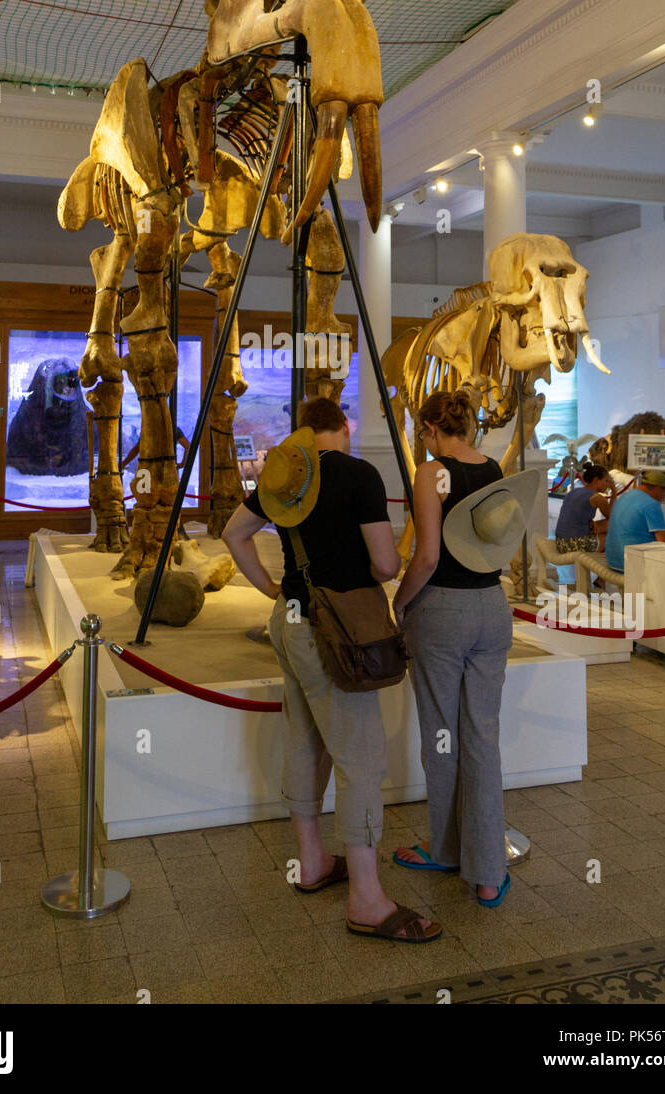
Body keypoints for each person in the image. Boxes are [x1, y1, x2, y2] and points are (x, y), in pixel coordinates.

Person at [221, 396, 441, 944]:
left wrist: (274, 589)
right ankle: (366, 899)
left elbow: (234, 535)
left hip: (290, 618)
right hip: (337, 633)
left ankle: (313, 862)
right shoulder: (360, 475)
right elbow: (387, 564)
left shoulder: (283, 473)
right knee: (361, 758)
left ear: (303, 433)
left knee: (304, 740)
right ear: (345, 427)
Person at [390, 389, 537, 908]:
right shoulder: (495, 469)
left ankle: (445, 848)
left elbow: (427, 556)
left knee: (442, 735)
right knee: (482, 736)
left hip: (442, 612)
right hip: (492, 609)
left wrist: (400, 605)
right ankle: (488, 872)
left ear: (430, 428)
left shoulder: (432, 473)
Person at [604, 469, 665, 572]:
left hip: (613, 561)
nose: (664, 495)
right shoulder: (651, 504)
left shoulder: (625, 496)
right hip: (631, 565)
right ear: (658, 488)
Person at [554, 462, 614, 553]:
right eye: (606, 481)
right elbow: (612, 517)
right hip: (573, 544)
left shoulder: (573, 492)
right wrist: (614, 491)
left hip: (559, 543)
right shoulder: (597, 498)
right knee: (611, 533)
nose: (608, 484)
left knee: (601, 527)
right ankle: (602, 564)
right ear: (596, 480)